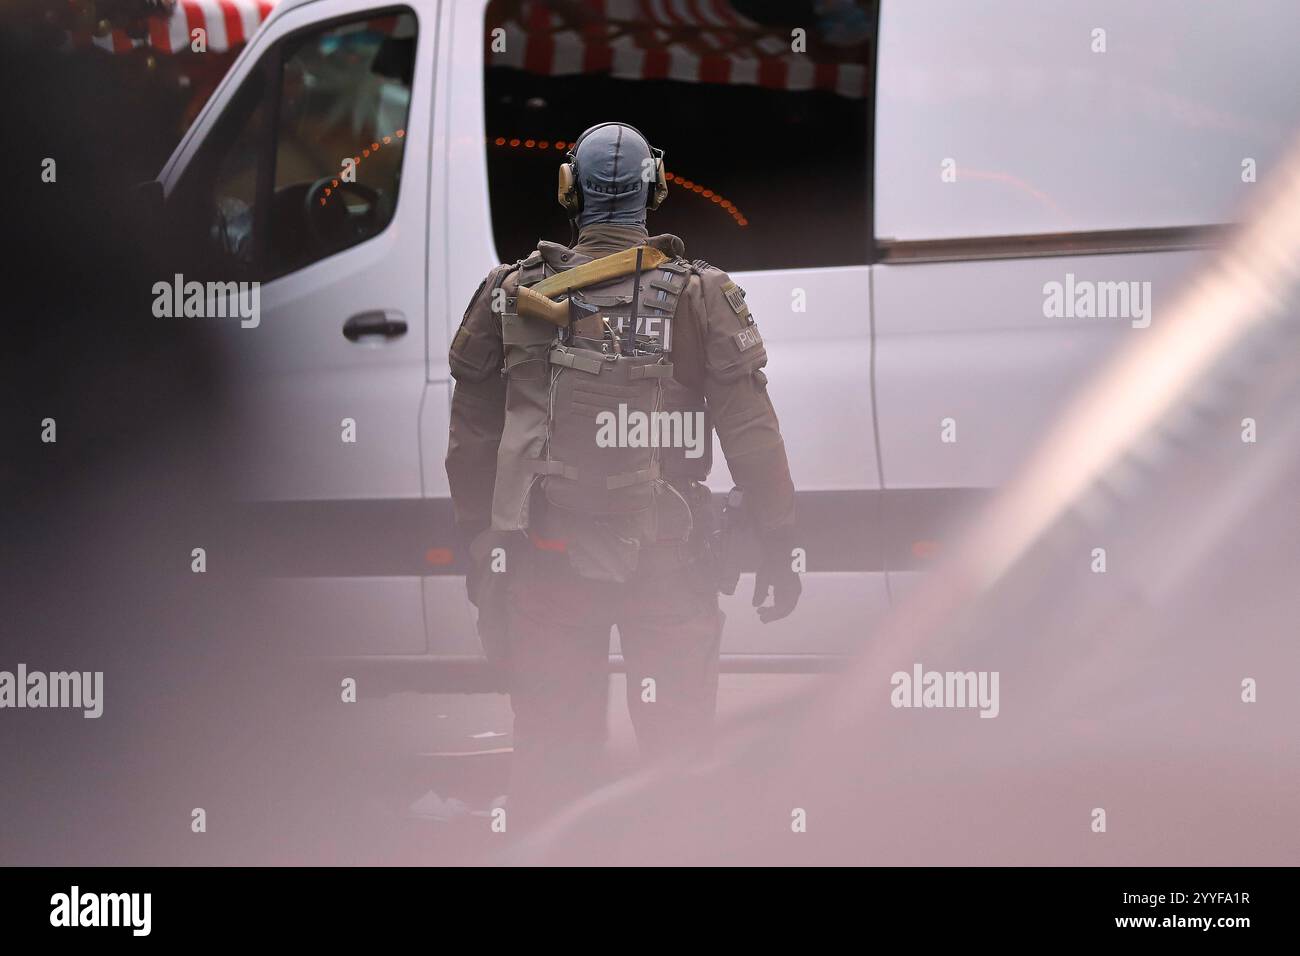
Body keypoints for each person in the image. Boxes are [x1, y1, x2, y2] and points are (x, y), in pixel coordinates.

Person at [446, 121, 800, 827]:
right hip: (667, 564)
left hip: (548, 566)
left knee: (552, 759)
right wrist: (781, 539)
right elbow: (751, 432)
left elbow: (471, 447)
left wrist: (482, 551)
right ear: (656, 190)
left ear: (569, 191)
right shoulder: (702, 296)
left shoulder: (507, 296)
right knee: (682, 764)